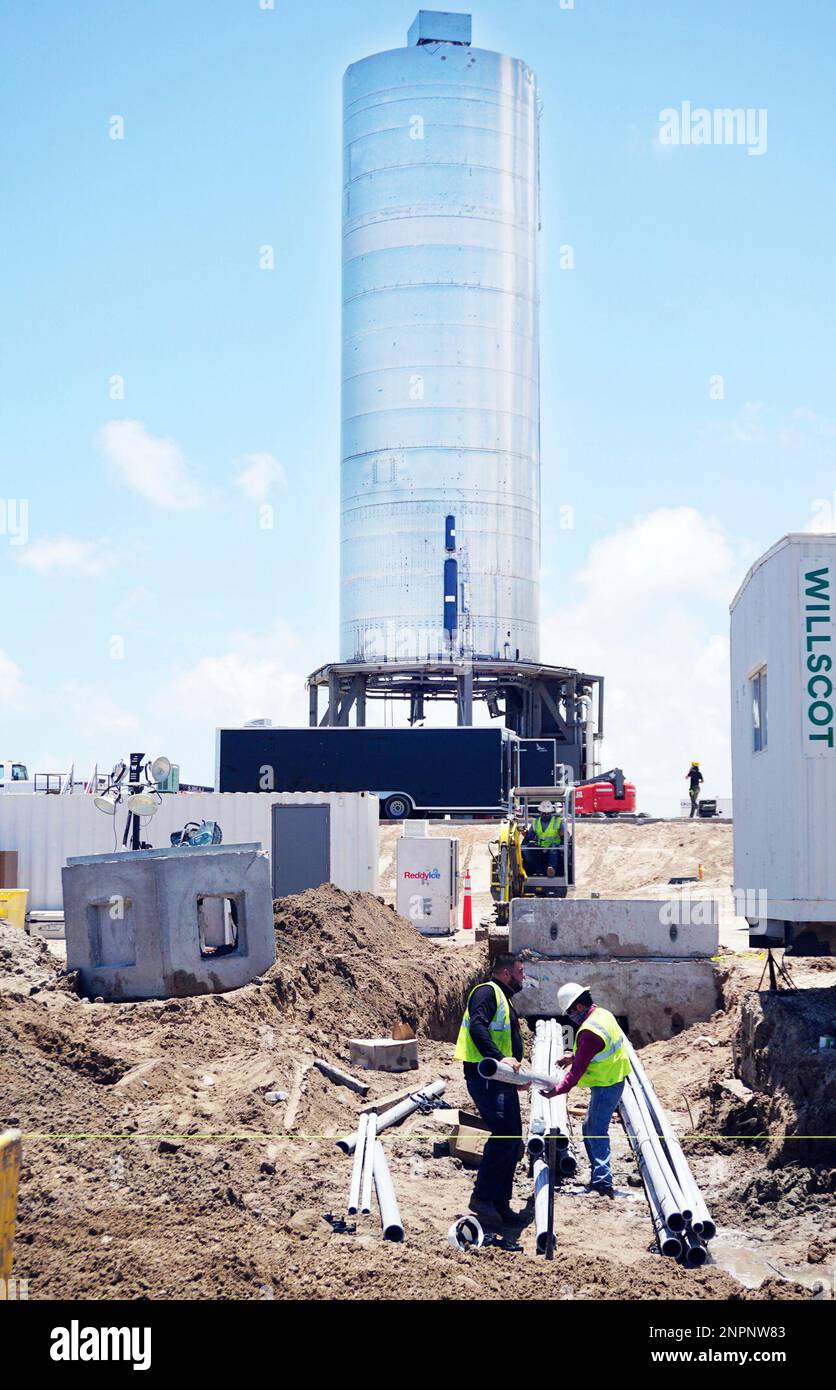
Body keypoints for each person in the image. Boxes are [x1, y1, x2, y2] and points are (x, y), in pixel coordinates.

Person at [453, 953, 529, 1232]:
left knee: (511, 1139)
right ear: (506, 972)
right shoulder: (486, 992)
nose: (523, 977)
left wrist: (512, 1076)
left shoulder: (503, 998)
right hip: (484, 1075)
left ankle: (500, 1203)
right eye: (520, 972)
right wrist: (500, 1059)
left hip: (499, 1077)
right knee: (503, 1136)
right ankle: (482, 1198)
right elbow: (477, 1027)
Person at [541, 981, 631, 1198]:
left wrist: (556, 1091)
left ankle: (602, 1182)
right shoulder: (602, 1014)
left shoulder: (589, 1031)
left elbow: (576, 1073)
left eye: (570, 1012)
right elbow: (594, 1051)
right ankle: (599, 1176)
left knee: (595, 1130)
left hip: (606, 1085)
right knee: (589, 1127)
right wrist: (574, 1056)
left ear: (578, 1007)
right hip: (613, 1078)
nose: (570, 1017)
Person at [522, 800, 564, 878]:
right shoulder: (535, 822)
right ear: (540, 813)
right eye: (543, 813)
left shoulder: (557, 821)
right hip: (540, 847)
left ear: (551, 813)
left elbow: (565, 834)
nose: (545, 815)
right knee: (527, 850)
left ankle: (551, 869)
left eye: (547, 813)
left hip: (554, 848)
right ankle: (536, 870)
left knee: (553, 848)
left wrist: (563, 835)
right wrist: (526, 835)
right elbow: (531, 836)